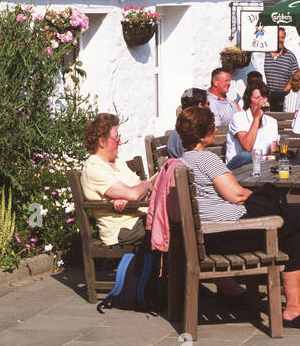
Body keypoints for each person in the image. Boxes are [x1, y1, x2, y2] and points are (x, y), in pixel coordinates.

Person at [176, 104, 300, 329]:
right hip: (224, 235)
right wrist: (255, 197)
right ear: (208, 130)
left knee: (295, 233)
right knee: (295, 215)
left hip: (210, 235)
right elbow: (236, 195)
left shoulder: (180, 160)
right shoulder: (205, 158)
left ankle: (295, 309)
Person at [80, 114, 154, 246]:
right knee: (173, 223)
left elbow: (137, 189)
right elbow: (134, 193)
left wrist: (137, 192)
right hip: (123, 228)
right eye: (116, 138)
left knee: (173, 217)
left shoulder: (117, 161)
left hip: (140, 216)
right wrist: (144, 188)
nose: (120, 142)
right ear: (102, 141)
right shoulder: (94, 168)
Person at [226, 81, 279, 169]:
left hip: (261, 165)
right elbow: (247, 146)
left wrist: (280, 154)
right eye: (257, 97)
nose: (261, 101)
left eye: (264, 97)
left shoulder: (272, 122)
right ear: (249, 101)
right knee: (246, 155)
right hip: (238, 167)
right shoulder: (238, 117)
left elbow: (272, 152)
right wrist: (257, 118)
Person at [166, 87, 206, 159]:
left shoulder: (183, 129)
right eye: (207, 104)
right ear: (200, 106)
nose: (209, 108)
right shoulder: (187, 134)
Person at [263, 27, 300, 108]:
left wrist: (282, 93)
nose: (280, 40)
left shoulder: (290, 56)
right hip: (266, 98)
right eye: (277, 37)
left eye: (282, 37)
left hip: (285, 98)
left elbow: (296, 77)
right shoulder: (264, 54)